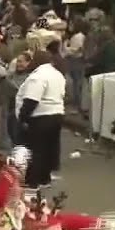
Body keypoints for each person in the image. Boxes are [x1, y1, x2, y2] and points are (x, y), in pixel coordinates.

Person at [16, 50, 66, 188]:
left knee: (36, 149)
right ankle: (45, 178)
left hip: (41, 116)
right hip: (57, 114)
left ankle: (32, 181)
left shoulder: (37, 76)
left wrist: (23, 117)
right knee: (50, 148)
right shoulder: (57, 74)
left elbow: (32, 99)